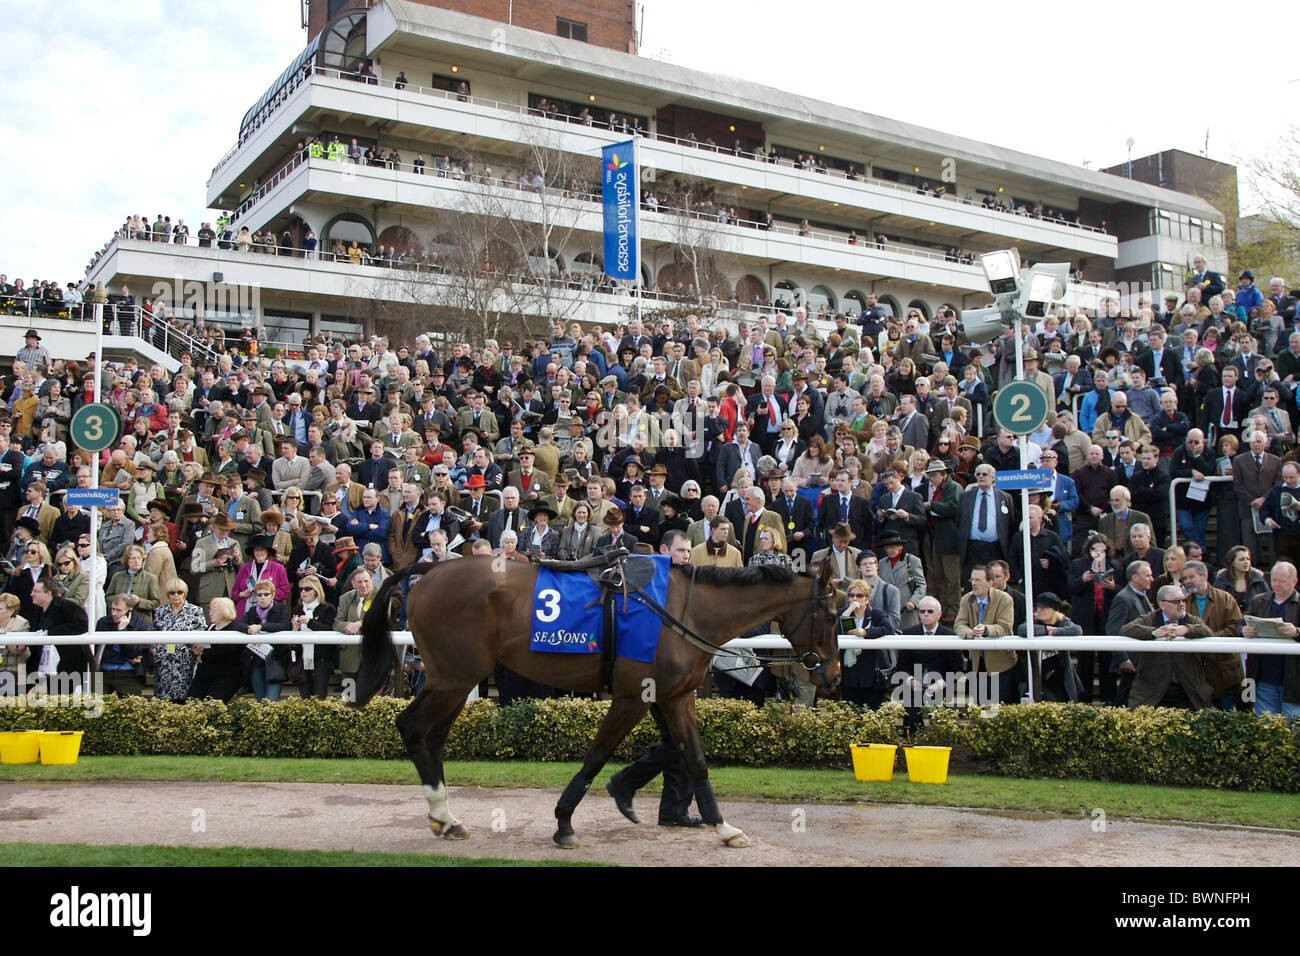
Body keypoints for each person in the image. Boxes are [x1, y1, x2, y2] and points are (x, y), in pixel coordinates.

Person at [605, 529, 708, 828]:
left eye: (688, 551)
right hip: (652, 677)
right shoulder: (651, 580)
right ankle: (627, 782)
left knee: (679, 741)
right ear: (664, 550)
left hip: (671, 677)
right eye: (680, 551)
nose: (685, 557)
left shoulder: (685, 584)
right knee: (682, 741)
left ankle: (670, 808)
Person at [1120, 584, 1215, 709]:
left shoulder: (1191, 620)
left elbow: (1207, 632)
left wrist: (1186, 629)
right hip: (1152, 693)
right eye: (1176, 601)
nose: (1181, 604)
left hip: (1188, 692)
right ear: (1162, 604)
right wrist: (1154, 632)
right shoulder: (1150, 618)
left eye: (1183, 600)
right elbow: (1126, 629)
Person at [1178, 560, 1246, 711]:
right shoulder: (1184, 602)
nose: (1187, 582)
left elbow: (1235, 627)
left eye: (1191, 577)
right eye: (1185, 578)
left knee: (1225, 718)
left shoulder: (1225, 598)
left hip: (1223, 670)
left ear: (1204, 576)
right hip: (1196, 671)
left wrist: (1209, 638)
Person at [1240, 561, 1300, 718]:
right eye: (1274, 580)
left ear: (1294, 581)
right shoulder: (1259, 601)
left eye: (1282, 581)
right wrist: (1244, 630)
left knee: (1293, 725)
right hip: (1263, 675)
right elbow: (1239, 625)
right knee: (1266, 725)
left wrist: (1296, 632)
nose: (1277, 584)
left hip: (1293, 679)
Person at [151, 578, 206, 702]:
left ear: (185, 593)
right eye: (172, 593)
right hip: (164, 660)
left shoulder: (195, 611)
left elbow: (201, 634)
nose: (176, 595)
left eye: (179, 592)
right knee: (162, 697)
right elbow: (154, 632)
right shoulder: (160, 611)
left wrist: (197, 651)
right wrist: (153, 649)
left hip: (185, 661)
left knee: (183, 697)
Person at [241, 578, 292, 701]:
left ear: (273, 595)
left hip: (275, 660)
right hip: (257, 660)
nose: (262, 597)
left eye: (266, 594)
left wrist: (261, 627)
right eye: (259, 595)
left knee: (271, 702)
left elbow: (285, 625)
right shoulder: (252, 611)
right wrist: (249, 629)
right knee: (260, 701)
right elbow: (239, 624)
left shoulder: (281, 608)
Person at [189, 597, 247, 702]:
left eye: (214, 610)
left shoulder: (237, 628)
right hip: (203, 676)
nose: (210, 613)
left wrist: (203, 656)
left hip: (225, 678)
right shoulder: (209, 629)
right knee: (191, 703)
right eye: (210, 610)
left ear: (224, 611)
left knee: (212, 707)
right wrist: (197, 653)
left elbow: (226, 651)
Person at [291, 575, 337, 699]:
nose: (303, 592)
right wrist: (294, 629)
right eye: (301, 589)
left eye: (307, 589)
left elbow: (330, 630)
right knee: (305, 698)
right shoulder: (297, 609)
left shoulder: (327, 609)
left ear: (316, 591)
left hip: (321, 658)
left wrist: (310, 622)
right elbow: (291, 638)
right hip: (302, 658)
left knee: (319, 697)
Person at [93, 593, 149, 695]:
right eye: (112, 609)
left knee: (130, 707)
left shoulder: (139, 624)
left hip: (129, 673)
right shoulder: (104, 622)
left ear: (129, 609)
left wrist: (122, 630)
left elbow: (134, 653)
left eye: (118, 610)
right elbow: (100, 651)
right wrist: (125, 657)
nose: (114, 613)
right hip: (105, 671)